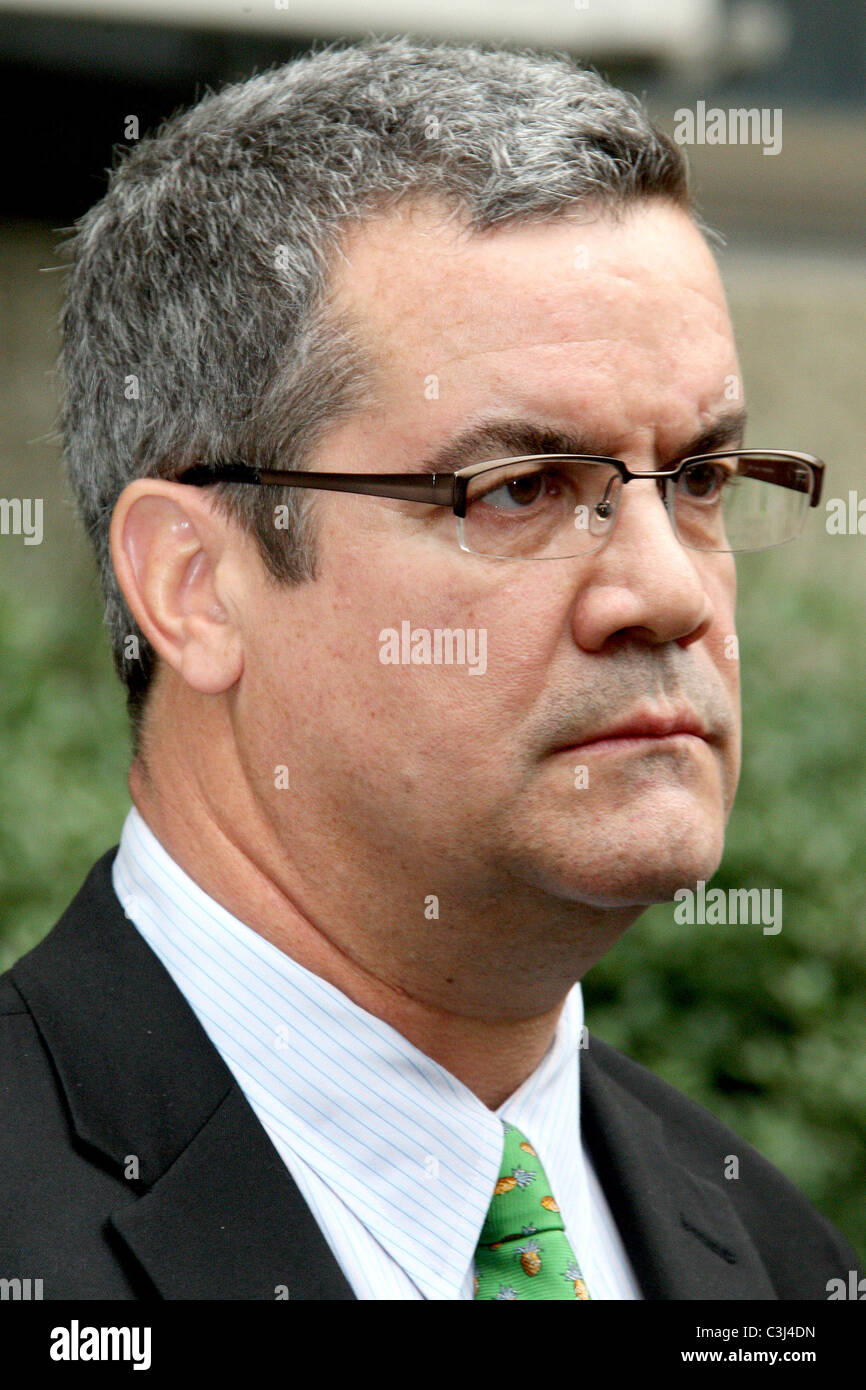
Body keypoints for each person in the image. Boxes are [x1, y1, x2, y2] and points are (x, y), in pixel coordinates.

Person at [0, 36, 859, 1300]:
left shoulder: (775, 1262)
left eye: (699, 480)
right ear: (191, 582)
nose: (668, 593)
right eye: (516, 489)